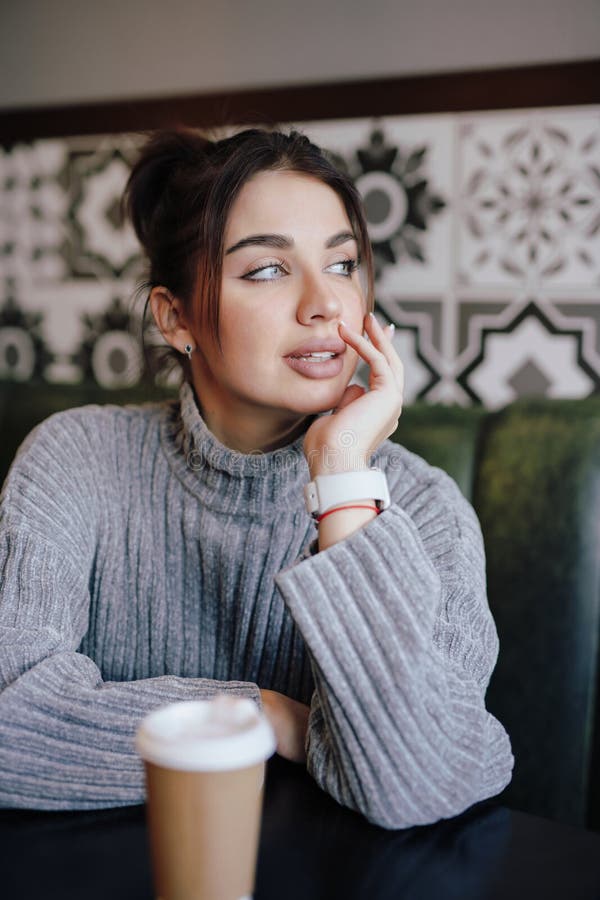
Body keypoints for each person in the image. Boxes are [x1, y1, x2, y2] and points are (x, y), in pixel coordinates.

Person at [0, 128, 513, 827]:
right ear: (174, 318)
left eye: (342, 264)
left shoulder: (424, 508)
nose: (325, 304)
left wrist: (340, 482)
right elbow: (9, 723)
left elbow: (415, 782)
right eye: (267, 269)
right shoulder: (74, 460)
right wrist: (261, 716)